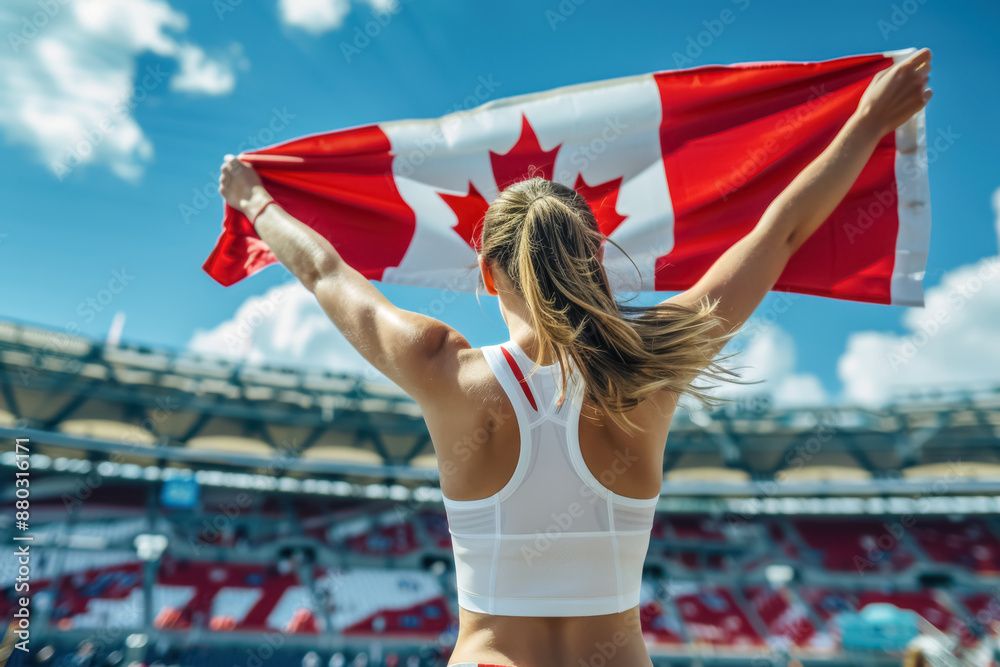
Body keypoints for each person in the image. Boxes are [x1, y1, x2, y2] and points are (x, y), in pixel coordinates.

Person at [218, 49, 931, 667]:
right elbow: (780, 234)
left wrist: (257, 204)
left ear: (488, 272)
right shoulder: (651, 368)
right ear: (596, 257)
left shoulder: (444, 368)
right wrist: (867, 122)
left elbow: (326, 273)